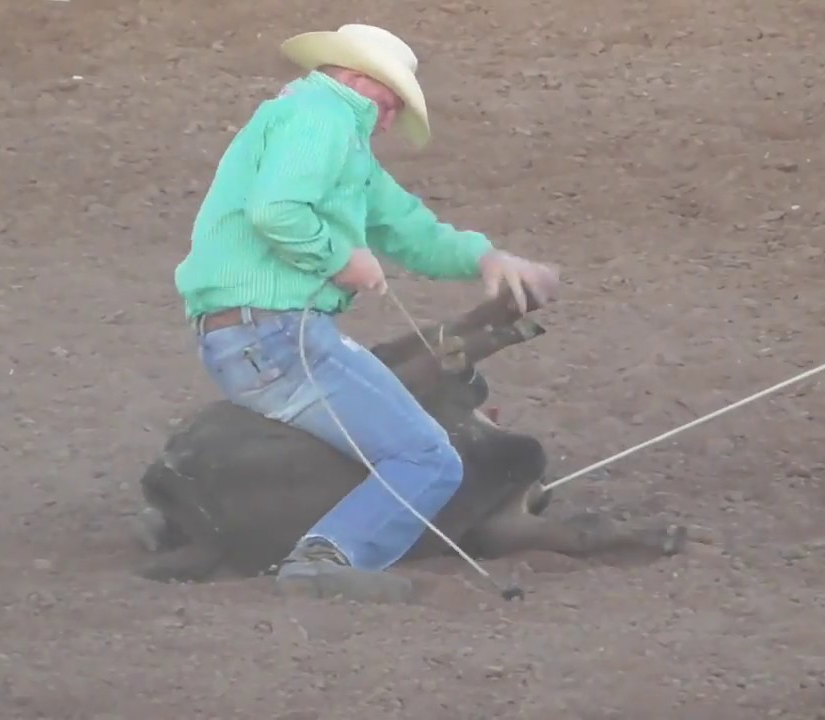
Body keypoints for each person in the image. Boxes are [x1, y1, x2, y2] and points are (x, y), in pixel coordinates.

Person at [169, 24, 560, 599]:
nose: (388, 119)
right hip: (275, 333)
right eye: (387, 102)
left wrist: (485, 258)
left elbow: (407, 227)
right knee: (428, 456)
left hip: (256, 334)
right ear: (354, 80)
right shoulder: (320, 119)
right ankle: (327, 557)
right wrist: (339, 259)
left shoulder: (330, 138)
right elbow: (276, 212)